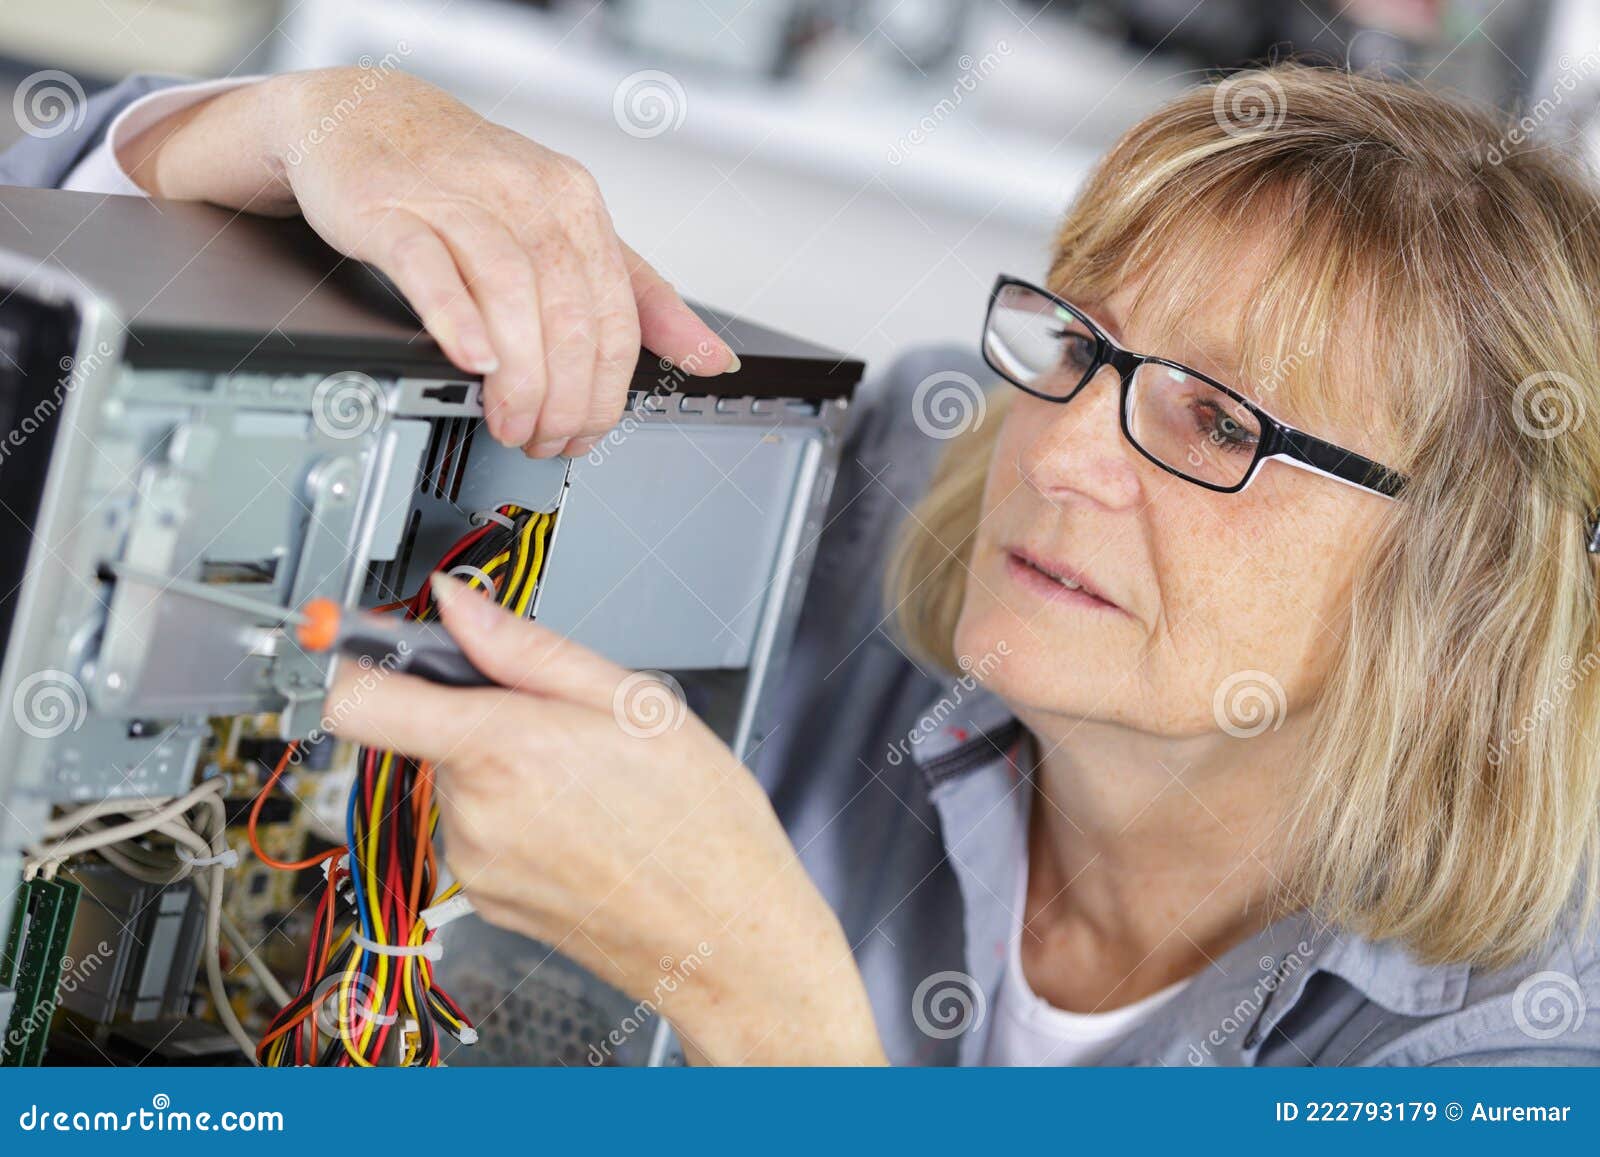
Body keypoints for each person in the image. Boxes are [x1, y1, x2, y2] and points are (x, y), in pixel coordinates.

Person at [7, 62, 1598, 1066]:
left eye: (1218, 420)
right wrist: (274, 122)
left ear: (1471, 583)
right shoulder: (900, 476)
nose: (1065, 453)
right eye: (1085, 343)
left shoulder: (1516, 1050)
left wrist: (774, 1015)